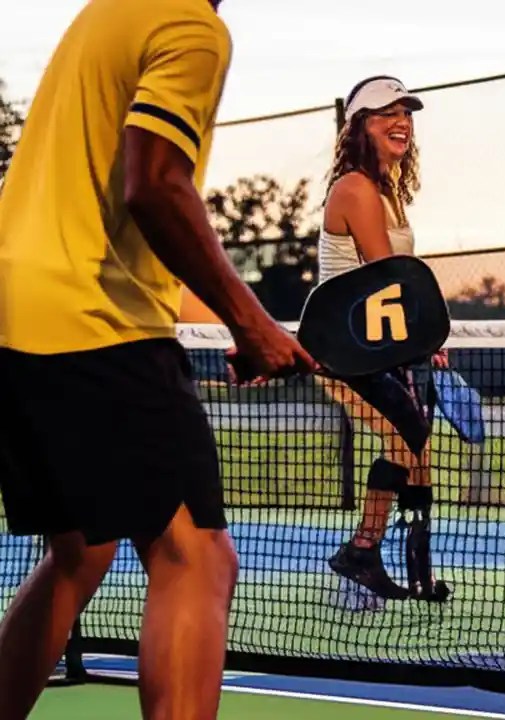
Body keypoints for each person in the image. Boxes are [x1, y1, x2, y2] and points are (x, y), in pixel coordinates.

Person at [0, 0, 316, 718]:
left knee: (83, 550)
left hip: (16, 315)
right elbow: (156, 184)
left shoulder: (104, 15)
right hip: (94, 322)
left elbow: (105, 196)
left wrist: (244, 326)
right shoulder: (190, 27)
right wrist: (251, 320)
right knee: (198, 555)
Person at [316, 75, 450, 607]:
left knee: (417, 449)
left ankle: (404, 567)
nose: (401, 121)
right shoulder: (355, 188)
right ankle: (361, 553)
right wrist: (422, 336)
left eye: (406, 112)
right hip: (341, 354)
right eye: (384, 113)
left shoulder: (387, 190)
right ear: (357, 127)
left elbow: (400, 284)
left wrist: (423, 338)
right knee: (406, 440)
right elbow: (385, 275)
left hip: (377, 346)